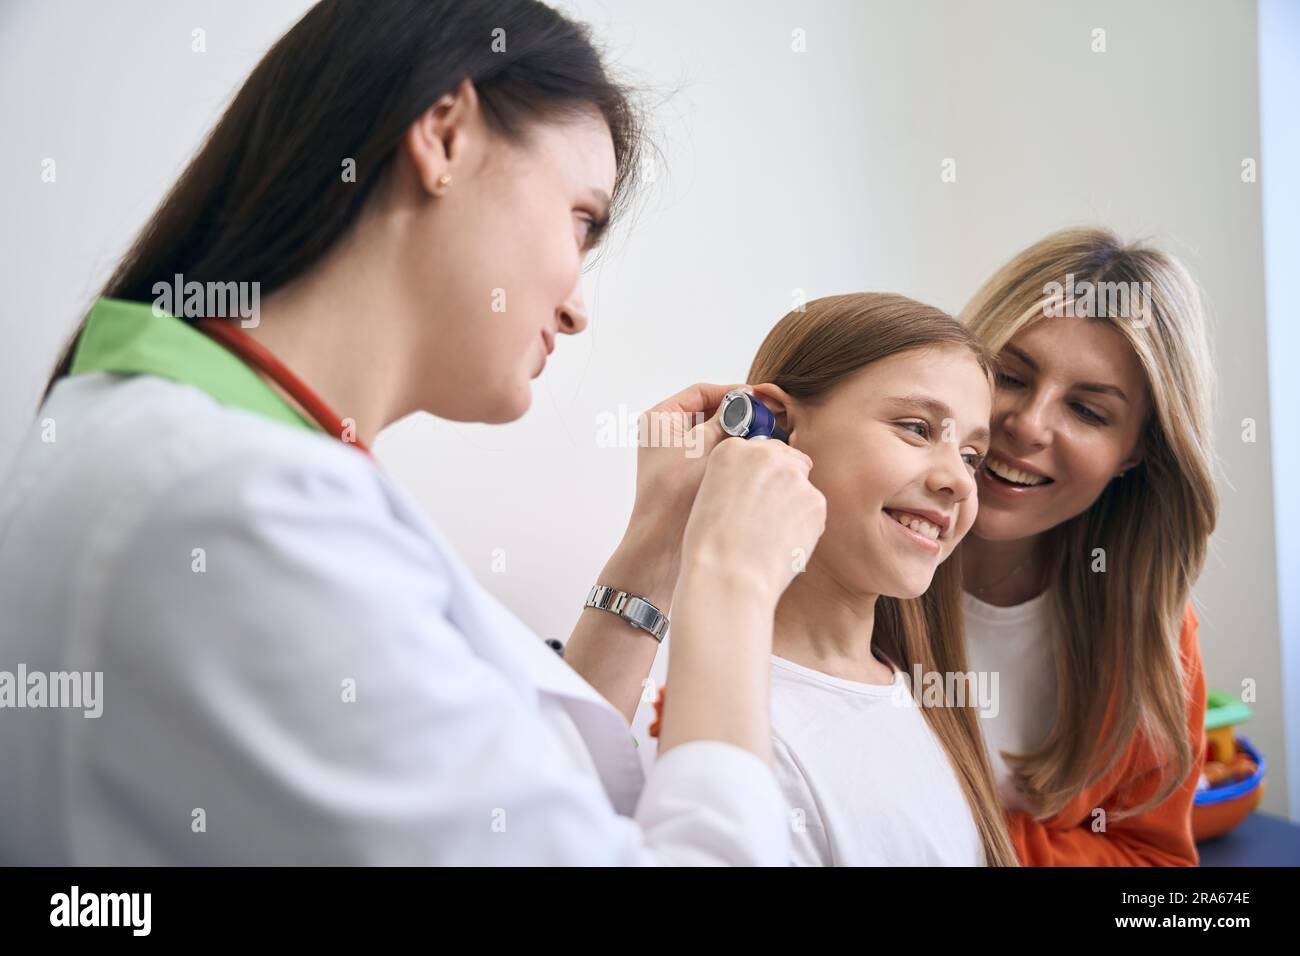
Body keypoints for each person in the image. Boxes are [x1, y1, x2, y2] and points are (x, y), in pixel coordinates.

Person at [0, 0, 826, 865]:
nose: (577, 308)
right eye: (581, 220)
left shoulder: (213, 457)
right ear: (444, 135)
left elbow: (514, 797)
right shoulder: (239, 508)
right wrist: (731, 581)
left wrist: (656, 555)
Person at [958, 228, 1216, 865]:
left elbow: (1156, 872)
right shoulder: (848, 567)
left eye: (1089, 411)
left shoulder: (1153, 631)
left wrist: (959, 842)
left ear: (1136, 453)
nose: (1029, 424)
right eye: (1010, 376)